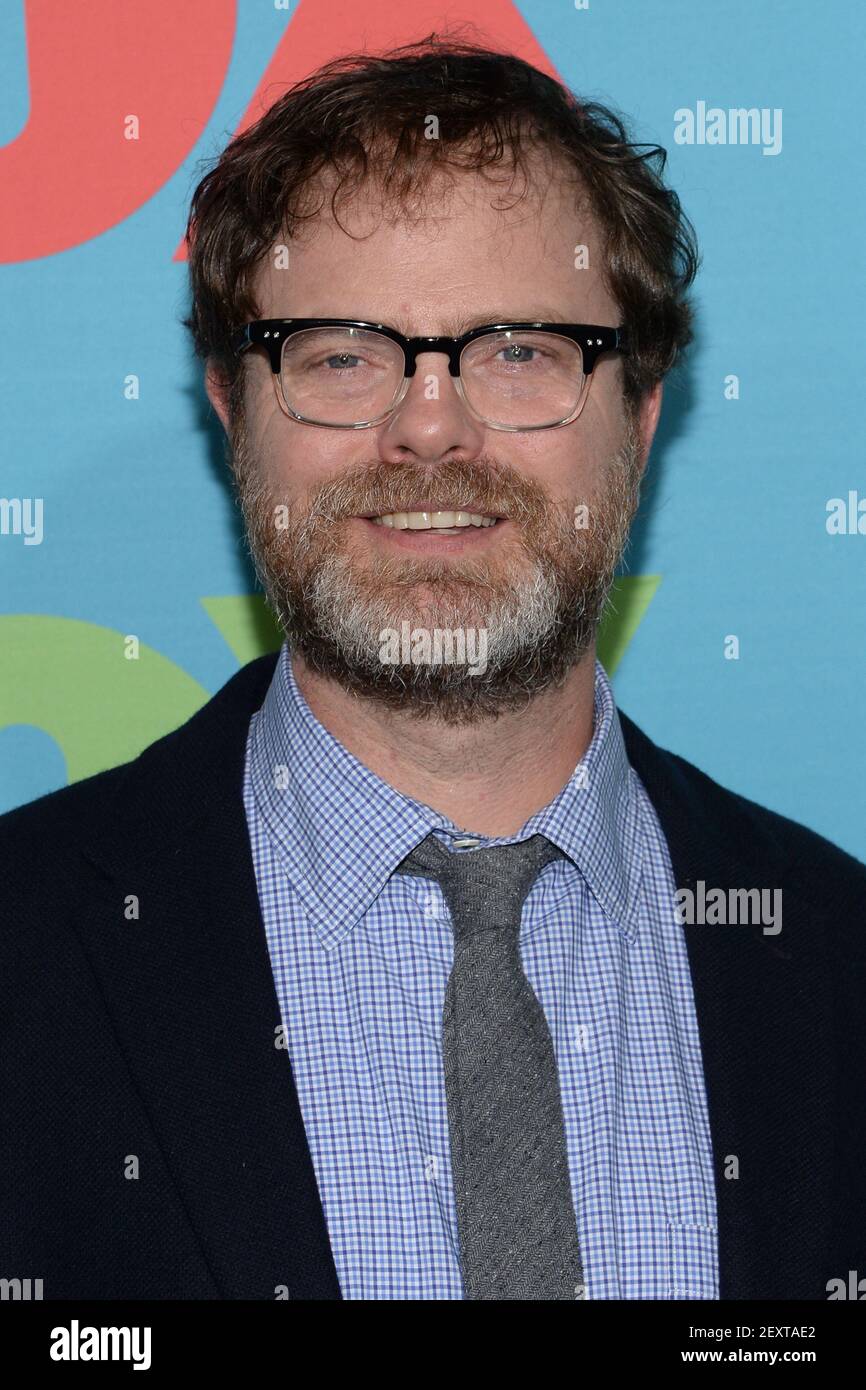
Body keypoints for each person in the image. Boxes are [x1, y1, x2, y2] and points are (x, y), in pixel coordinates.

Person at [2, 38, 864, 1302]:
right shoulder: (24, 951)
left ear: (636, 414)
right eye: (342, 353)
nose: (427, 423)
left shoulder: (838, 960)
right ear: (233, 410)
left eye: (519, 351)